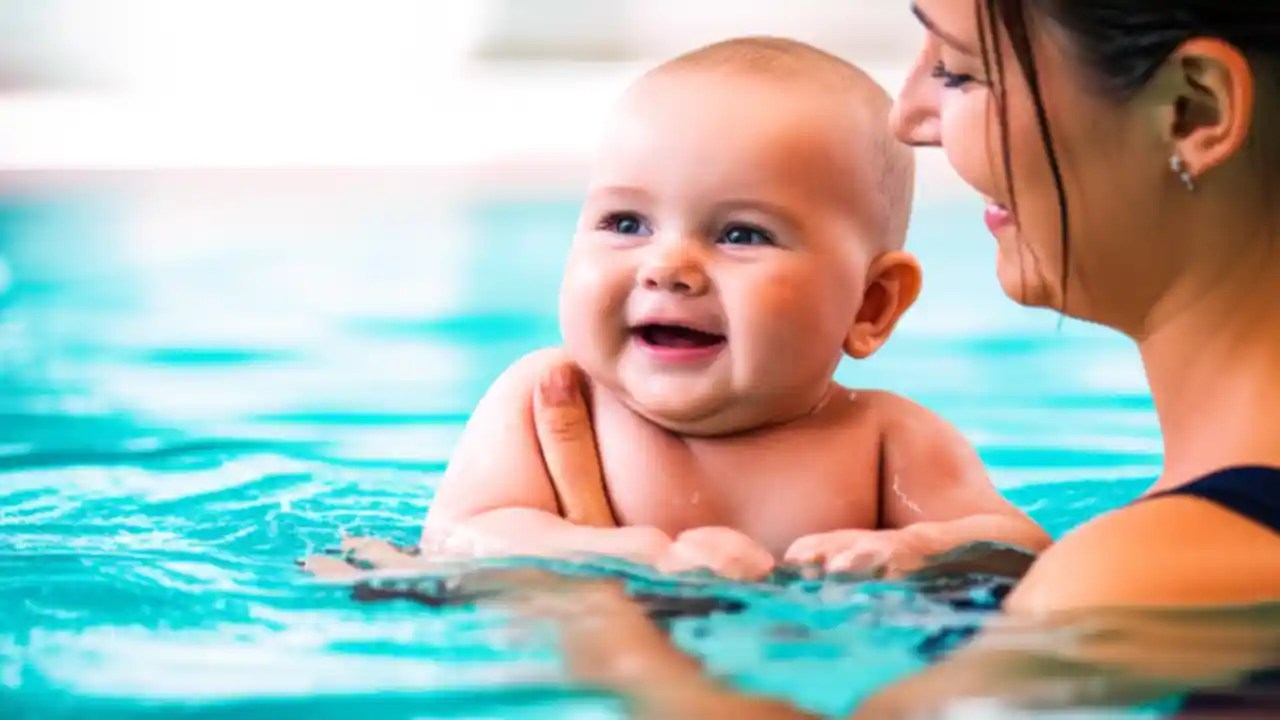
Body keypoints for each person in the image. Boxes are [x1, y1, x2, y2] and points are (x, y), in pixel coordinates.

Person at [400, 36, 1047, 581]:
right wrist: (636, 556)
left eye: (741, 235)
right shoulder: (549, 401)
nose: (668, 268)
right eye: (626, 222)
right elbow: (464, 536)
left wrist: (915, 550)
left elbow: (1021, 548)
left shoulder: (885, 439)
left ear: (871, 304)